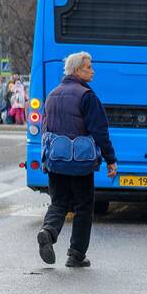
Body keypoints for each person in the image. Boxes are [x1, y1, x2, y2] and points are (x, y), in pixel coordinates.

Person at [37, 52, 117, 268]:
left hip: (56, 160)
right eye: (88, 67)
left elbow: (46, 130)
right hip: (80, 164)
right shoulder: (86, 96)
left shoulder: (52, 95)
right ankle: (76, 254)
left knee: (59, 202)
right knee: (83, 206)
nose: (92, 71)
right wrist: (110, 159)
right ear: (77, 71)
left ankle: (48, 231)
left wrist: (45, 160)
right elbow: (99, 131)